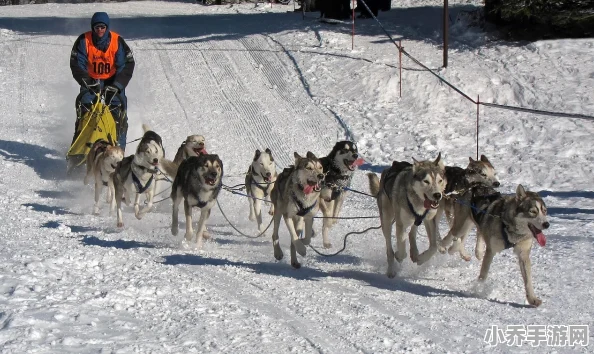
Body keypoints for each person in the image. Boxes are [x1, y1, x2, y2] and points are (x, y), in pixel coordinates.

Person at [70, 12, 135, 151]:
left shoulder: (117, 41)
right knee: (85, 113)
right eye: (96, 28)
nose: (99, 30)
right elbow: (76, 63)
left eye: (102, 27)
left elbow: (127, 65)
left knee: (119, 115)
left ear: (107, 27)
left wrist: (117, 86)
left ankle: (119, 149)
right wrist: (86, 80)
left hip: (113, 81)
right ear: (92, 28)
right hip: (91, 81)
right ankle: (80, 148)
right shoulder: (83, 40)